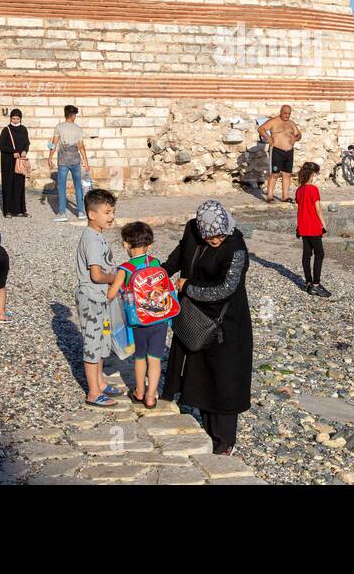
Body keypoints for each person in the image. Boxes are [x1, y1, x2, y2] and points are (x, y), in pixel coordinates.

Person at [161, 200, 252, 454]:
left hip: (226, 324)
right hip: (194, 317)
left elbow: (225, 289)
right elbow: (178, 257)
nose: (215, 241)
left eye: (219, 235)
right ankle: (207, 429)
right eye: (210, 236)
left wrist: (187, 287)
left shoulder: (235, 248)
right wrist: (157, 275)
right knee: (200, 373)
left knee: (224, 379)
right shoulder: (192, 231)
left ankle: (224, 441)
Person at [106, 221, 174, 409]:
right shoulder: (155, 263)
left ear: (125, 245)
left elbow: (111, 295)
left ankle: (139, 392)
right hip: (160, 319)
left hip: (139, 322)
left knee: (139, 357)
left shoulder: (125, 269)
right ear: (150, 245)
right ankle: (151, 397)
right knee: (155, 359)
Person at [75, 188, 128, 408]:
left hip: (101, 298)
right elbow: (96, 275)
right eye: (106, 212)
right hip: (92, 298)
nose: (111, 216)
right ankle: (93, 392)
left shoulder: (97, 236)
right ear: (91, 214)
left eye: (112, 211)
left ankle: (100, 382)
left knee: (102, 341)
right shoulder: (93, 240)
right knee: (92, 345)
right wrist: (116, 278)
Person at [49, 104, 91, 222]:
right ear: (72, 116)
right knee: (78, 186)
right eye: (75, 115)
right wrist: (86, 162)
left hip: (63, 161)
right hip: (76, 161)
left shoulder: (59, 127)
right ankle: (81, 212)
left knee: (62, 187)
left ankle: (62, 213)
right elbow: (81, 147)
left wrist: (49, 157)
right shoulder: (78, 128)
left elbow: (53, 144)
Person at [294, 161, 330, 297]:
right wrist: (324, 224)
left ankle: (308, 283)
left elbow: (301, 207)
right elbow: (318, 209)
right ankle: (316, 284)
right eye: (315, 173)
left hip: (302, 226)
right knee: (319, 254)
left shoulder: (299, 190)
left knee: (306, 254)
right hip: (313, 226)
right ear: (312, 174)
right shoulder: (313, 189)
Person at [258, 105, 301, 204]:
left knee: (287, 174)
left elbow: (299, 134)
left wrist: (295, 138)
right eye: (285, 113)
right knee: (275, 174)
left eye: (289, 113)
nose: (287, 115)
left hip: (289, 152)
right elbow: (261, 129)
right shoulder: (274, 121)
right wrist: (268, 138)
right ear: (281, 112)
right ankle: (269, 196)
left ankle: (285, 197)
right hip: (277, 150)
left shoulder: (291, 123)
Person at [0, 109, 31, 217]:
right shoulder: (6, 130)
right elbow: (1, 146)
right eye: (13, 118)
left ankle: (20, 210)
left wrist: (25, 151)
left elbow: (27, 143)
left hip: (20, 162)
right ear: (10, 118)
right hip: (8, 162)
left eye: (17, 118)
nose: (15, 121)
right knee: (8, 184)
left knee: (19, 185)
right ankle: (8, 211)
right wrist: (13, 152)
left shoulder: (24, 129)